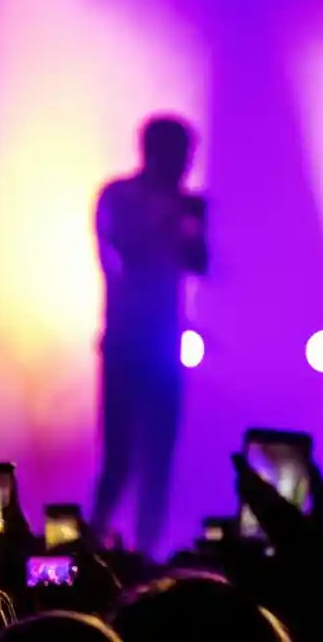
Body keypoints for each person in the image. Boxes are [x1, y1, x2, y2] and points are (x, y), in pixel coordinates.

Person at [92, 115, 208, 556]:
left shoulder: (186, 205)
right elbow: (120, 255)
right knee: (119, 455)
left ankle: (146, 552)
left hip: (166, 341)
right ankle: (97, 546)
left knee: (159, 455)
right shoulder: (118, 196)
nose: (186, 166)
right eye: (181, 155)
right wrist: (167, 218)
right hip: (125, 338)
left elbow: (199, 264)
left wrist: (193, 227)